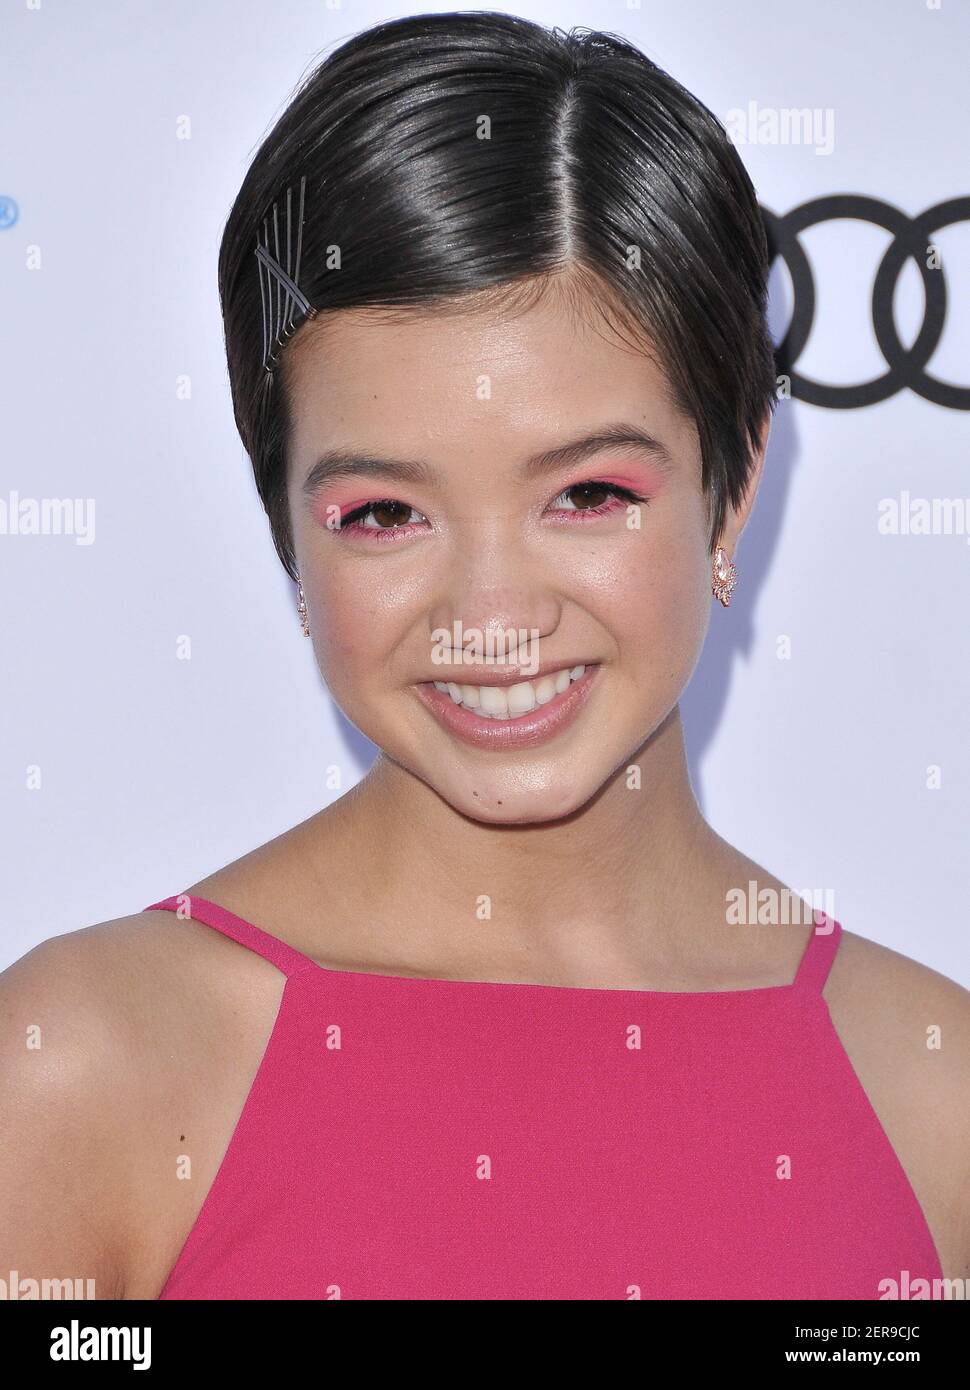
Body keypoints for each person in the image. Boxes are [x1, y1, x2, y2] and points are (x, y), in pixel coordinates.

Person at [2, 12, 967, 1301]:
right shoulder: (86, 1065)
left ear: (731, 489)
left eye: (588, 494)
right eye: (384, 515)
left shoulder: (932, 1090)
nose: (491, 612)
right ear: (290, 535)